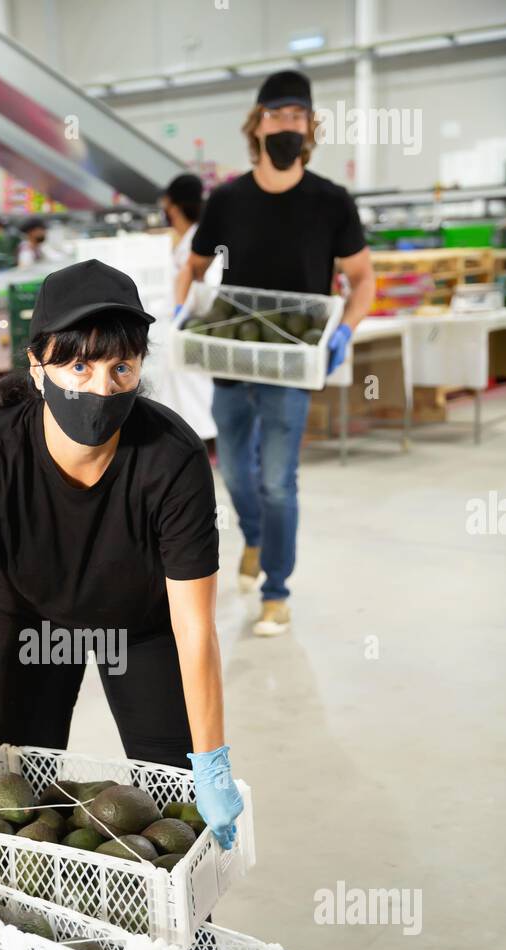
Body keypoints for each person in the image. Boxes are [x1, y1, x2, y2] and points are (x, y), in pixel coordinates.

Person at [0, 259, 244, 849]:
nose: (101, 387)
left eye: (121, 367)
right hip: (29, 625)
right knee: (25, 808)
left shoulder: (173, 459)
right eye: (77, 365)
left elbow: (194, 627)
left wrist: (212, 762)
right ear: (37, 368)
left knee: (174, 816)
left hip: (139, 630)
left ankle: (187, 938)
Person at [178, 69, 374, 636]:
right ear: (255, 123)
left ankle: (276, 590)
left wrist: (344, 331)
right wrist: (183, 312)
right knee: (237, 472)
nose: (286, 125)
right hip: (233, 359)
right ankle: (256, 537)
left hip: (294, 362)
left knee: (277, 480)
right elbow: (194, 269)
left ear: (309, 127)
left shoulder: (331, 202)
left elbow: (362, 280)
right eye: (276, 114)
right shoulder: (228, 200)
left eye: (297, 116)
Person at [150, 172, 215, 440]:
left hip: (195, 323)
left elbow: (208, 287)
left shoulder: (200, 241)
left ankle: (203, 439)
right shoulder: (187, 240)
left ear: (173, 207)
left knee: (181, 372)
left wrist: (180, 313)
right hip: (182, 320)